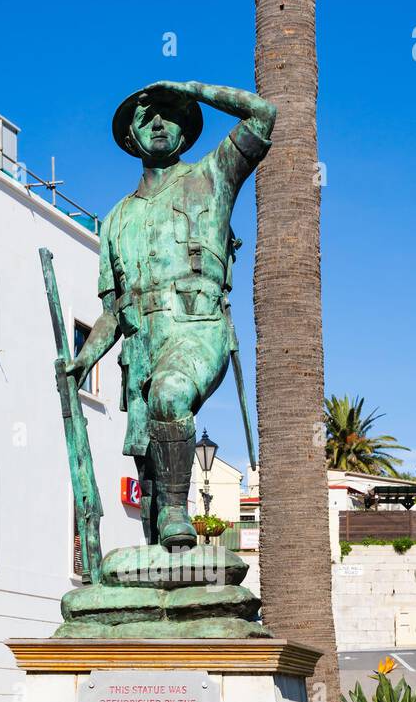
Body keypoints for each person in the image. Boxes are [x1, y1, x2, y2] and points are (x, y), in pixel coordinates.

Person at [66, 79, 276, 549]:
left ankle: (180, 515)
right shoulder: (116, 220)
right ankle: (163, 555)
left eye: (170, 113)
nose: (159, 123)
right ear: (130, 138)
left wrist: (193, 90)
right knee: (151, 488)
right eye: (148, 117)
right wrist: (83, 360)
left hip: (198, 328)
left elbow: (263, 114)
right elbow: (114, 312)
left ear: (186, 128)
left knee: (170, 394)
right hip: (141, 348)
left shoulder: (212, 175)